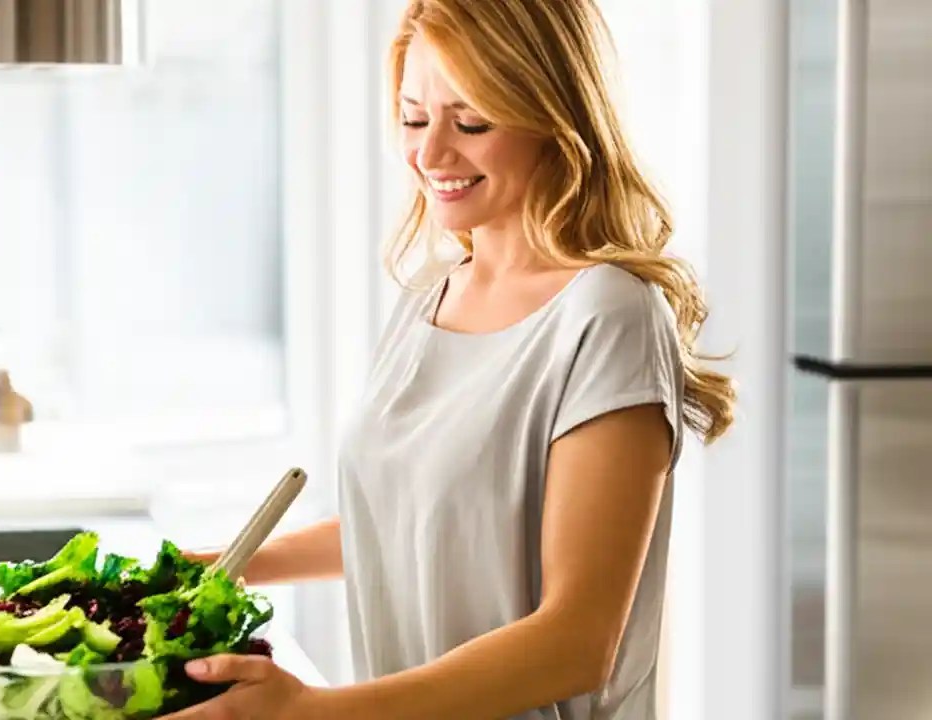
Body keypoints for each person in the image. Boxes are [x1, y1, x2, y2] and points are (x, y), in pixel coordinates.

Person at [162, 1, 736, 718]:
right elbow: (421, 518)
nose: (430, 155)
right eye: (412, 118)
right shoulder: (430, 299)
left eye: (471, 123)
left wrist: (311, 712)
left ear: (556, 119)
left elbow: (577, 640)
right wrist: (229, 565)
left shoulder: (608, 316)